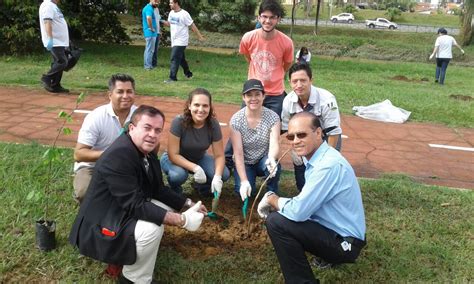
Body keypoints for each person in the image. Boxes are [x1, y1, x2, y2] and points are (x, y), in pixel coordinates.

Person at [69, 105, 207, 283]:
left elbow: (157, 189)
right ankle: (133, 279)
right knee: (152, 228)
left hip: (119, 209)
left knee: (164, 208)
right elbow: (135, 205)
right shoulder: (118, 156)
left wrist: (188, 204)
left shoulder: (145, 150)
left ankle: (134, 259)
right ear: (132, 128)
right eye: (147, 128)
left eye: (158, 130)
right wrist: (181, 220)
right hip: (102, 224)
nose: (152, 134)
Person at [257, 112, 366, 283]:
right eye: (291, 136)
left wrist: (272, 198)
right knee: (286, 214)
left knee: (276, 222)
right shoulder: (319, 158)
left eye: (301, 134)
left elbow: (299, 211)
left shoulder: (327, 166)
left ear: (318, 133)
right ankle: (325, 257)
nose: (295, 141)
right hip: (338, 233)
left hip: (346, 244)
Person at [73, 74, 138, 204]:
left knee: (139, 193)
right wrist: (112, 154)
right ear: (110, 95)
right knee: (85, 193)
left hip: (126, 166)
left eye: (129, 91)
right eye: (120, 91)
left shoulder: (140, 115)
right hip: (93, 166)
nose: (125, 96)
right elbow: (79, 154)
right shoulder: (95, 117)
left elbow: (154, 147)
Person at [281, 63, 342, 191]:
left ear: (311, 80)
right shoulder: (288, 101)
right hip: (302, 137)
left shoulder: (327, 100)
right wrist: (294, 148)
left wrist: (325, 159)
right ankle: (304, 194)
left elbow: (334, 132)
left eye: (303, 80)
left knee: (324, 173)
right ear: (289, 82)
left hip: (326, 138)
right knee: (302, 178)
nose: (299, 85)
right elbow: (287, 129)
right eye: (294, 81)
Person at [160, 88, 230, 196]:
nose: (201, 109)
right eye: (196, 105)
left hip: (199, 157)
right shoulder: (178, 122)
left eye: (205, 105)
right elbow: (173, 155)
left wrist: (217, 177)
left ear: (210, 107)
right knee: (178, 175)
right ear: (189, 106)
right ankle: (174, 189)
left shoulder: (213, 124)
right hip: (173, 159)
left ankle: (202, 186)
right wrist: (195, 168)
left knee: (223, 174)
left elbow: (220, 155)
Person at [239, 0, 294, 117]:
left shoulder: (286, 42)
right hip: (253, 90)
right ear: (258, 17)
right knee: (245, 125)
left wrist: (277, 73)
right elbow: (248, 57)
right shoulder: (248, 37)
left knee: (273, 129)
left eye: (272, 17)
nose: (268, 21)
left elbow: (288, 63)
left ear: (278, 19)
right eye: (264, 16)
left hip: (275, 94)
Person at [230, 79, 281, 203]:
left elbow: (274, 142)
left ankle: (272, 194)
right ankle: (247, 182)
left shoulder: (273, 117)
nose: (254, 98)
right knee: (244, 192)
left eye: (257, 94)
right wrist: (243, 181)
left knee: (275, 167)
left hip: (263, 160)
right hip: (245, 162)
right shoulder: (236, 120)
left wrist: (271, 159)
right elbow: (238, 153)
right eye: (249, 95)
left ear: (263, 96)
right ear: (243, 97)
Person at [162, 0, 204, 83]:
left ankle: (172, 78)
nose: (169, 4)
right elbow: (169, 23)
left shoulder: (184, 14)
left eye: (171, 3)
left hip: (181, 40)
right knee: (181, 59)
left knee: (174, 58)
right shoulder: (171, 13)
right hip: (174, 40)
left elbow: (192, 25)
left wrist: (199, 36)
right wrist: (161, 21)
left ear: (176, 3)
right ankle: (188, 73)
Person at [39, 0, 70, 93]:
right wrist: (50, 39)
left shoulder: (53, 5)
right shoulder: (47, 5)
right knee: (62, 62)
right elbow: (47, 22)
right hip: (55, 41)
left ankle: (55, 85)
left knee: (57, 62)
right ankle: (47, 78)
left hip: (60, 41)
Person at [142, 0, 161, 70]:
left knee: (150, 49)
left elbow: (157, 19)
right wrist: (151, 28)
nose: (157, 3)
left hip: (152, 33)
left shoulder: (152, 8)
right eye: (156, 1)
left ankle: (149, 66)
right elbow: (148, 18)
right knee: (149, 50)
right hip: (150, 32)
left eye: (158, 2)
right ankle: (147, 66)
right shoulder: (148, 8)